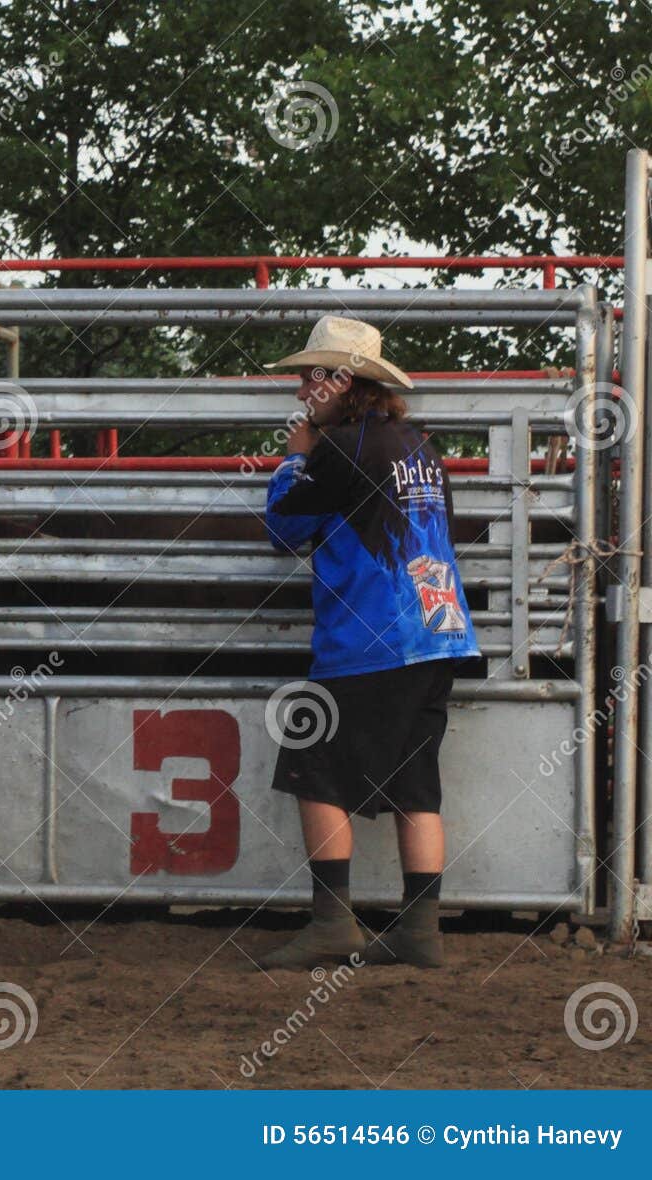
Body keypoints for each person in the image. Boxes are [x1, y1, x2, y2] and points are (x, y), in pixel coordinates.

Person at [255, 316, 480, 971]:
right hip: (439, 634)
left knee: (311, 761)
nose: (301, 392)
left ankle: (332, 922)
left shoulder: (342, 448)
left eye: (309, 378)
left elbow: (281, 528)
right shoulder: (418, 446)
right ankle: (420, 933)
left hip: (372, 639)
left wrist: (295, 457)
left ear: (340, 381)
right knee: (415, 785)